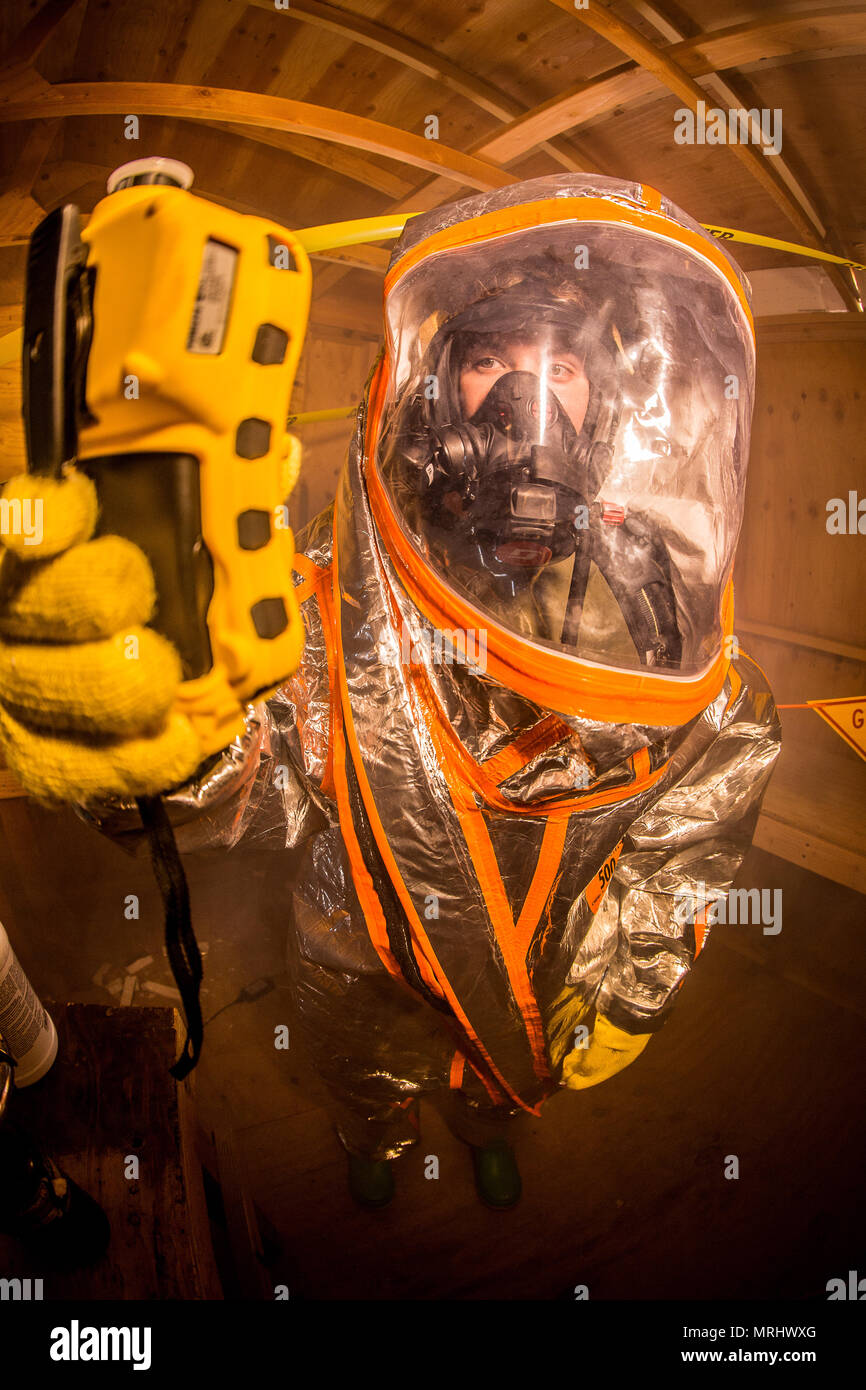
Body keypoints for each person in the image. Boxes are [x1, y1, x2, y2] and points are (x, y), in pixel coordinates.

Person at [0, 174, 782, 1211]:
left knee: (501, 1069)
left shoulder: (657, 619)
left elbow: (698, 813)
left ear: (600, 410)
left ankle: (485, 1124)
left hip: (536, 958)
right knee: (362, 1064)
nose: (525, 399)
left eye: (558, 368)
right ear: (432, 397)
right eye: (489, 361)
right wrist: (148, 728)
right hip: (358, 943)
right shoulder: (337, 594)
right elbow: (249, 781)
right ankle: (373, 1138)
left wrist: (633, 985)